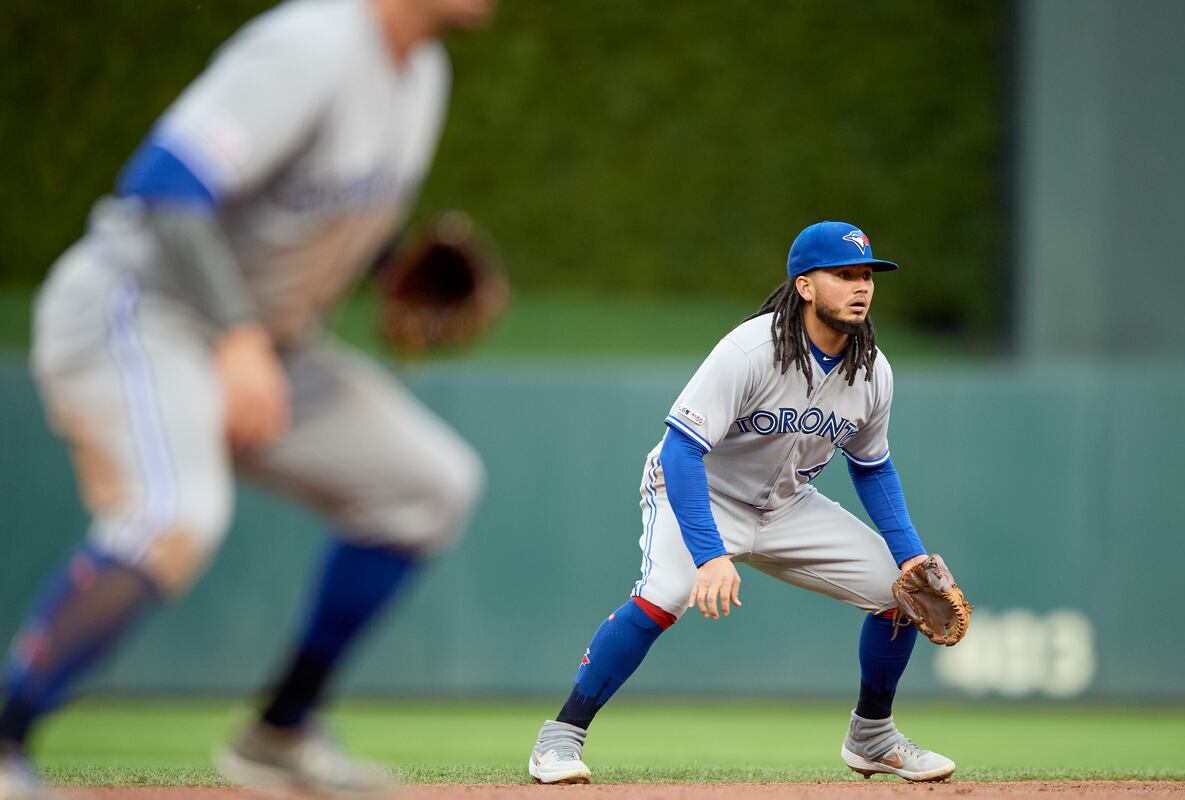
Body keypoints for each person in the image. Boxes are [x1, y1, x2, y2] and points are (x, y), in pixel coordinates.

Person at [0, 0, 496, 797]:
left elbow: (315, 212)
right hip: (141, 313)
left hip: (266, 346)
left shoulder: (422, 74)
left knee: (428, 487)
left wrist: (392, 274)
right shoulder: (313, 44)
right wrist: (235, 338)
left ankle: (279, 735)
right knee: (171, 517)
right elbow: (164, 188)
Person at [528, 221, 959, 785]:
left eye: (867, 276)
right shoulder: (751, 349)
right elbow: (682, 453)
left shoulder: (872, 370)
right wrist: (709, 555)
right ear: (805, 285)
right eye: (844, 274)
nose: (861, 287)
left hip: (786, 506)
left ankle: (872, 736)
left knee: (901, 594)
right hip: (697, 491)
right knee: (664, 594)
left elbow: (872, 467)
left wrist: (910, 554)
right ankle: (559, 740)